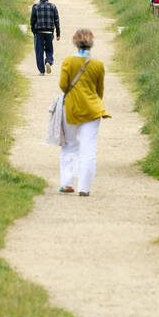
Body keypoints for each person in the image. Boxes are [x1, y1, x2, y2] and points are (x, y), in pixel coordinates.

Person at [58, 28, 110, 196]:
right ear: (91, 43)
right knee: (89, 150)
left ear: (75, 42)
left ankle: (66, 183)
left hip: (71, 107)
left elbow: (63, 85)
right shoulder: (98, 64)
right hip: (92, 110)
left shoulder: (68, 61)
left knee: (69, 145)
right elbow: (99, 90)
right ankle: (84, 188)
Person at [30, 0, 60, 75]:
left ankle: (42, 71)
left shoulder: (35, 6)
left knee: (39, 51)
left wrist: (33, 31)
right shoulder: (53, 6)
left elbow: (32, 20)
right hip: (49, 32)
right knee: (49, 50)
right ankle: (48, 61)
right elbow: (56, 21)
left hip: (39, 32)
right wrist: (58, 33)